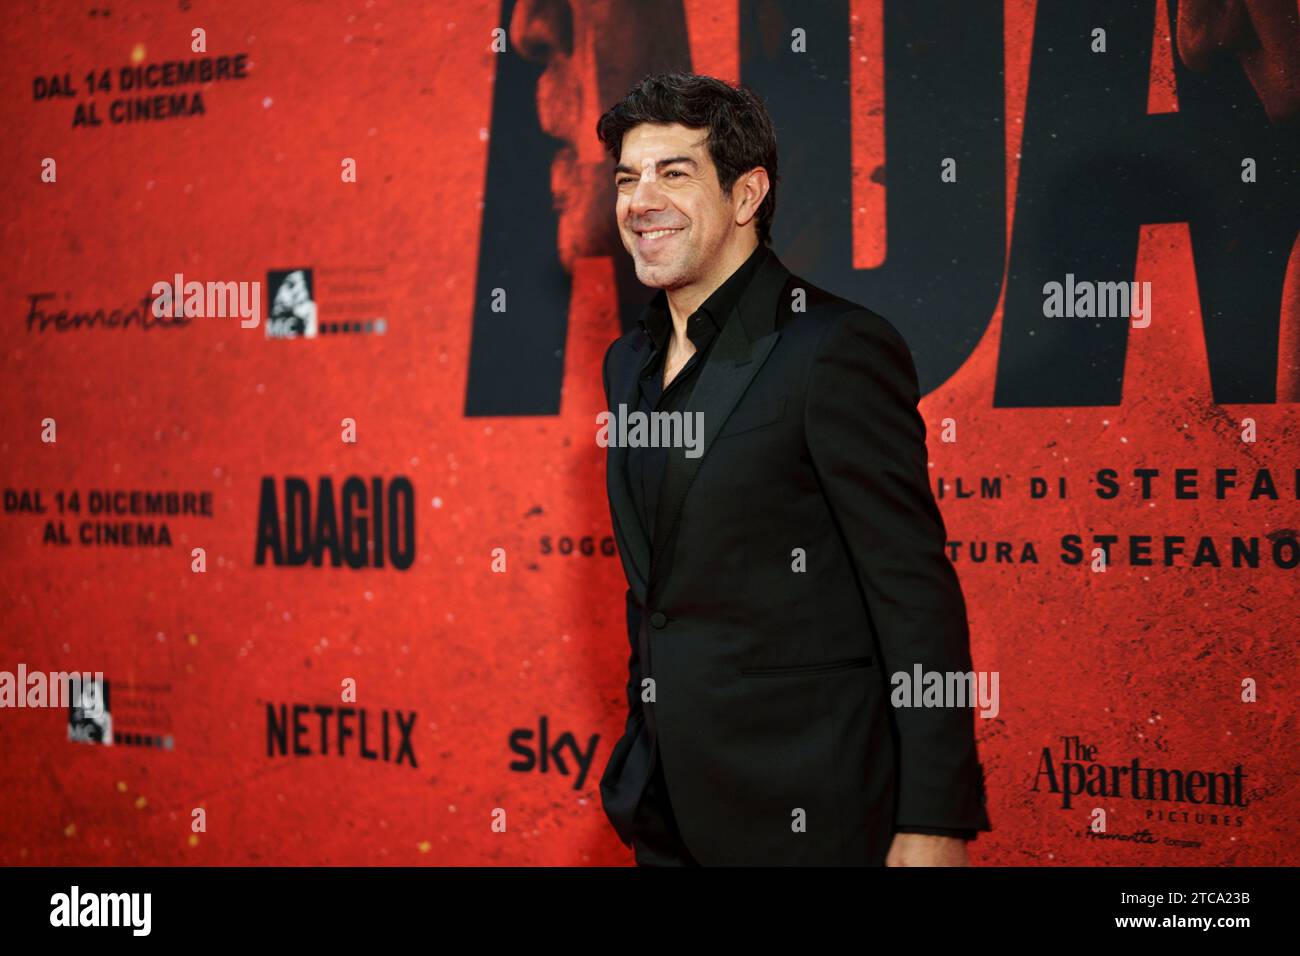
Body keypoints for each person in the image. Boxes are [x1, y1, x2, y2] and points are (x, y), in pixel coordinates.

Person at [596, 73, 991, 866]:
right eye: (627, 178)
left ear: (747, 196)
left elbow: (913, 591)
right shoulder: (627, 362)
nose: (640, 200)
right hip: (668, 804)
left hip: (812, 807)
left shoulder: (834, 348)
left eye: (674, 173)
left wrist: (936, 818)